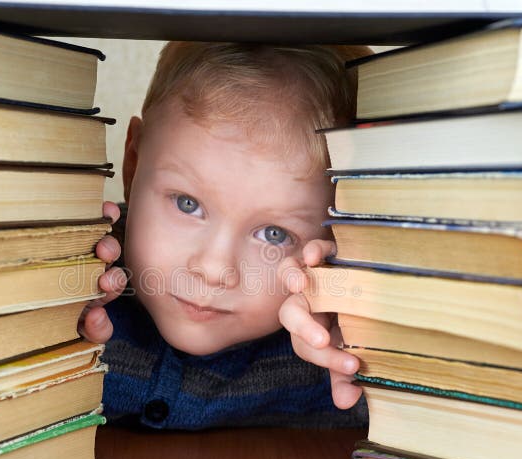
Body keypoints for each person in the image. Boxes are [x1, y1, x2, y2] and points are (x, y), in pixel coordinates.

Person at [79, 41, 370, 429]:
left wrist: (367, 344)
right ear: (132, 165)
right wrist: (44, 329)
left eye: (273, 233)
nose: (215, 270)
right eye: (187, 204)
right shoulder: (85, 279)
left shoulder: (322, 336)